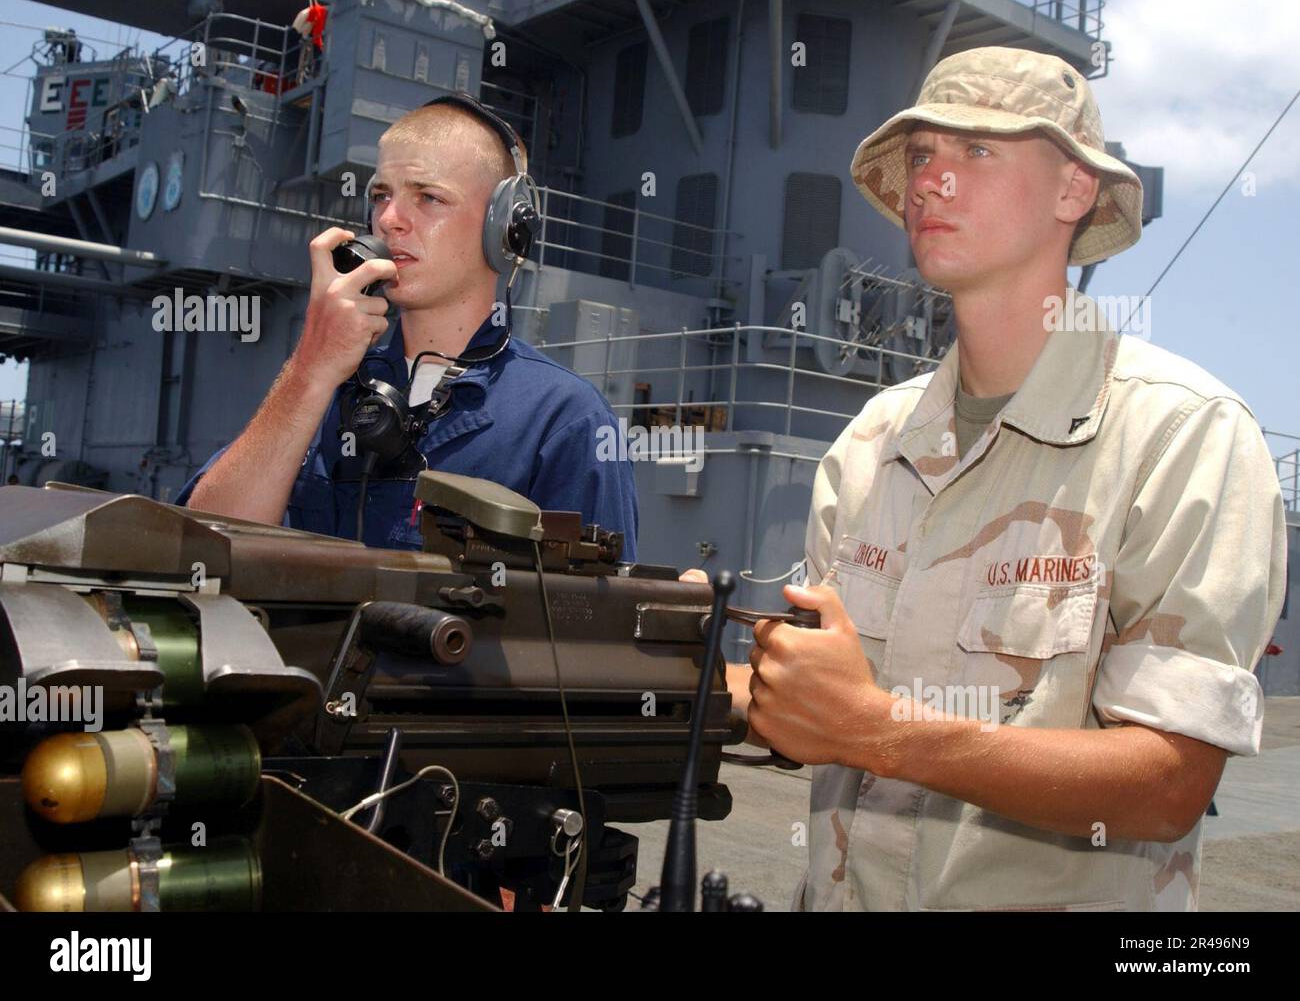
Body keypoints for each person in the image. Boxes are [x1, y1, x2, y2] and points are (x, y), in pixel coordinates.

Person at [687, 46, 1286, 911]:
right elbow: (817, 710)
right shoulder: (871, 445)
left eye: (977, 152)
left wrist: (881, 732)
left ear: (1074, 191)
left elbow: (1167, 783)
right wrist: (663, 654)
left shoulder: (1181, 436)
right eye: (923, 156)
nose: (931, 181)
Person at [179, 95, 638, 558]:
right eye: (381, 195)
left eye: (429, 197)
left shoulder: (563, 421)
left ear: (504, 228)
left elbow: (593, 622)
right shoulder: (327, 385)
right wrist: (310, 370)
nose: (389, 219)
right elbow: (203, 547)